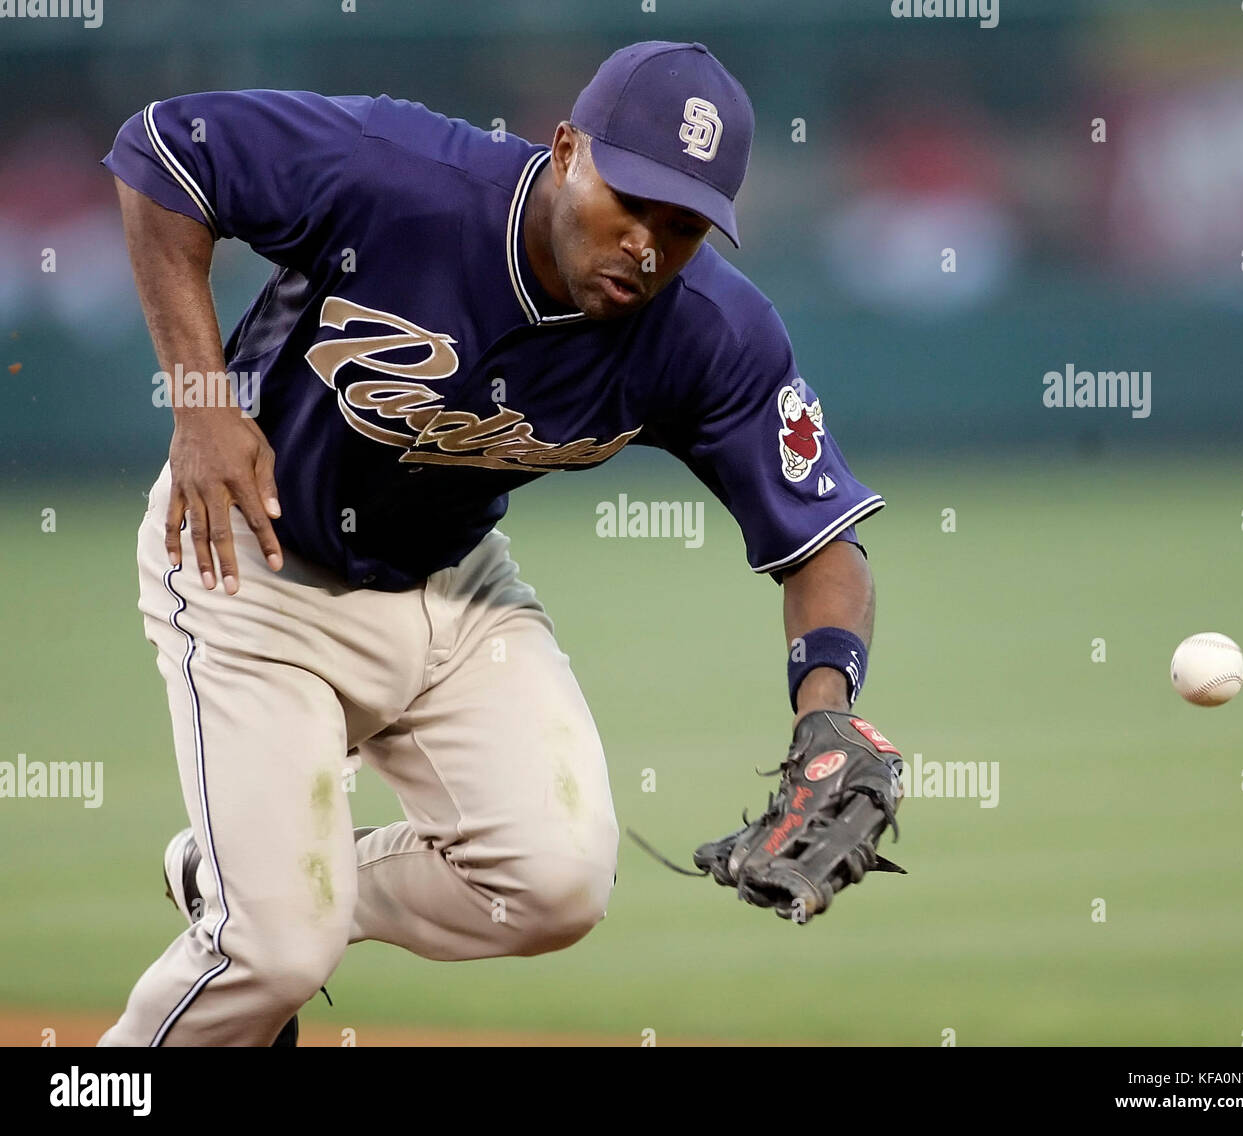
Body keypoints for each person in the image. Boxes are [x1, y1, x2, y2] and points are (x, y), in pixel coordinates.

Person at [98, 40, 883, 1047]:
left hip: (457, 590)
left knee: (555, 882)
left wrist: (827, 714)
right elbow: (163, 151)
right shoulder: (398, 174)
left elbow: (820, 540)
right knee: (277, 952)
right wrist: (202, 403)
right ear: (564, 149)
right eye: (629, 200)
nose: (646, 244)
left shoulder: (708, 334)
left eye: (682, 226)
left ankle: (244, 880)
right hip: (251, 563)